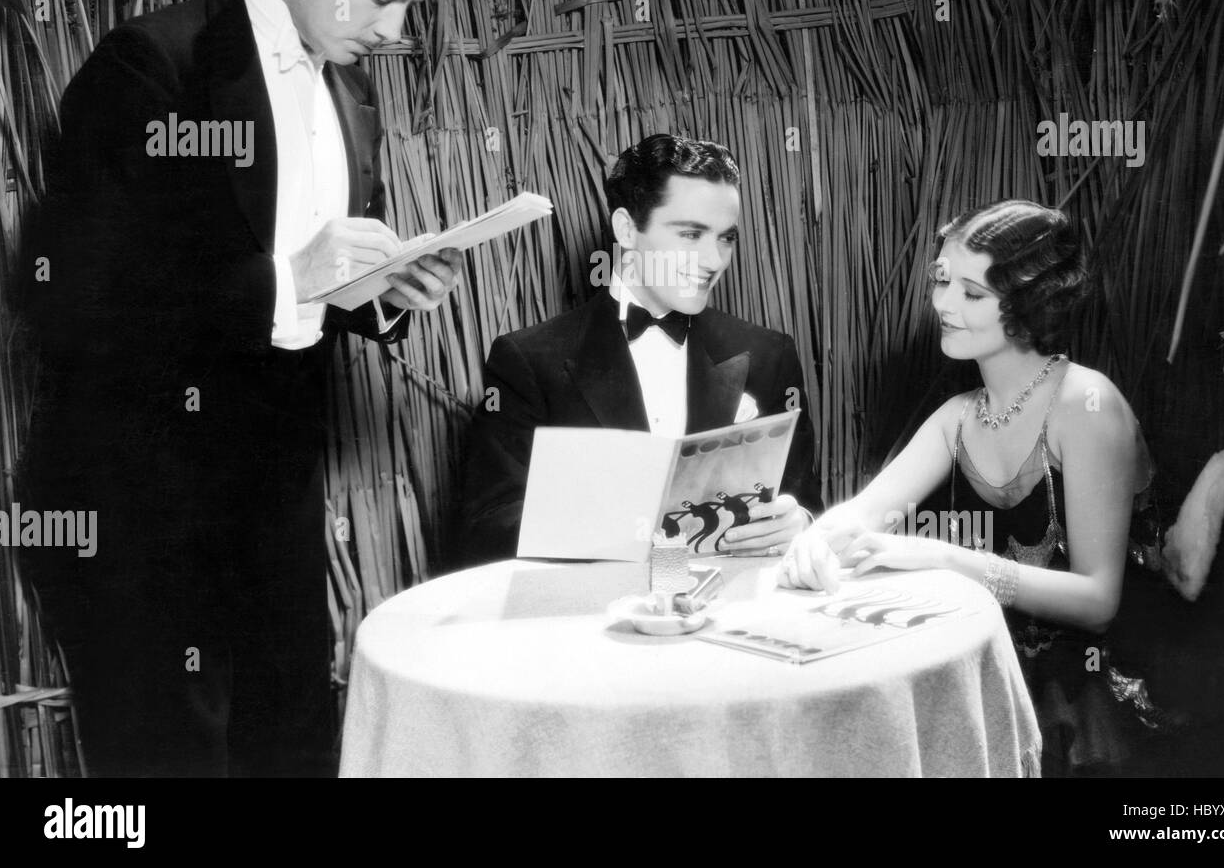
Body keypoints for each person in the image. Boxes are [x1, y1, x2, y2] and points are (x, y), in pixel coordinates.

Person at [18, 0, 462, 777]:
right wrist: (283, 278)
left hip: (273, 500)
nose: (394, 30)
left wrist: (376, 294)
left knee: (292, 742)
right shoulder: (153, 64)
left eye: (409, 6)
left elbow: (302, 294)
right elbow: (68, 300)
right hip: (141, 508)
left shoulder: (350, 93)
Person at [779, 199, 1154, 776]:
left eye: (972, 293)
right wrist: (815, 539)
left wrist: (941, 557)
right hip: (994, 676)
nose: (943, 305)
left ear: (1031, 303)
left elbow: (1099, 603)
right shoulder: (958, 416)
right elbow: (865, 512)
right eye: (942, 280)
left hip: (1092, 695)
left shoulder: (1086, 403)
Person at [450, 134, 822, 569]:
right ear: (626, 228)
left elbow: (807, 503)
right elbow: (484, 529)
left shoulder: (768, 355)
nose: (714, 260)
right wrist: (623, 528)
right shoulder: (530, 360)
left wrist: (800, 523)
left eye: (727, 238)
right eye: (690, 233)